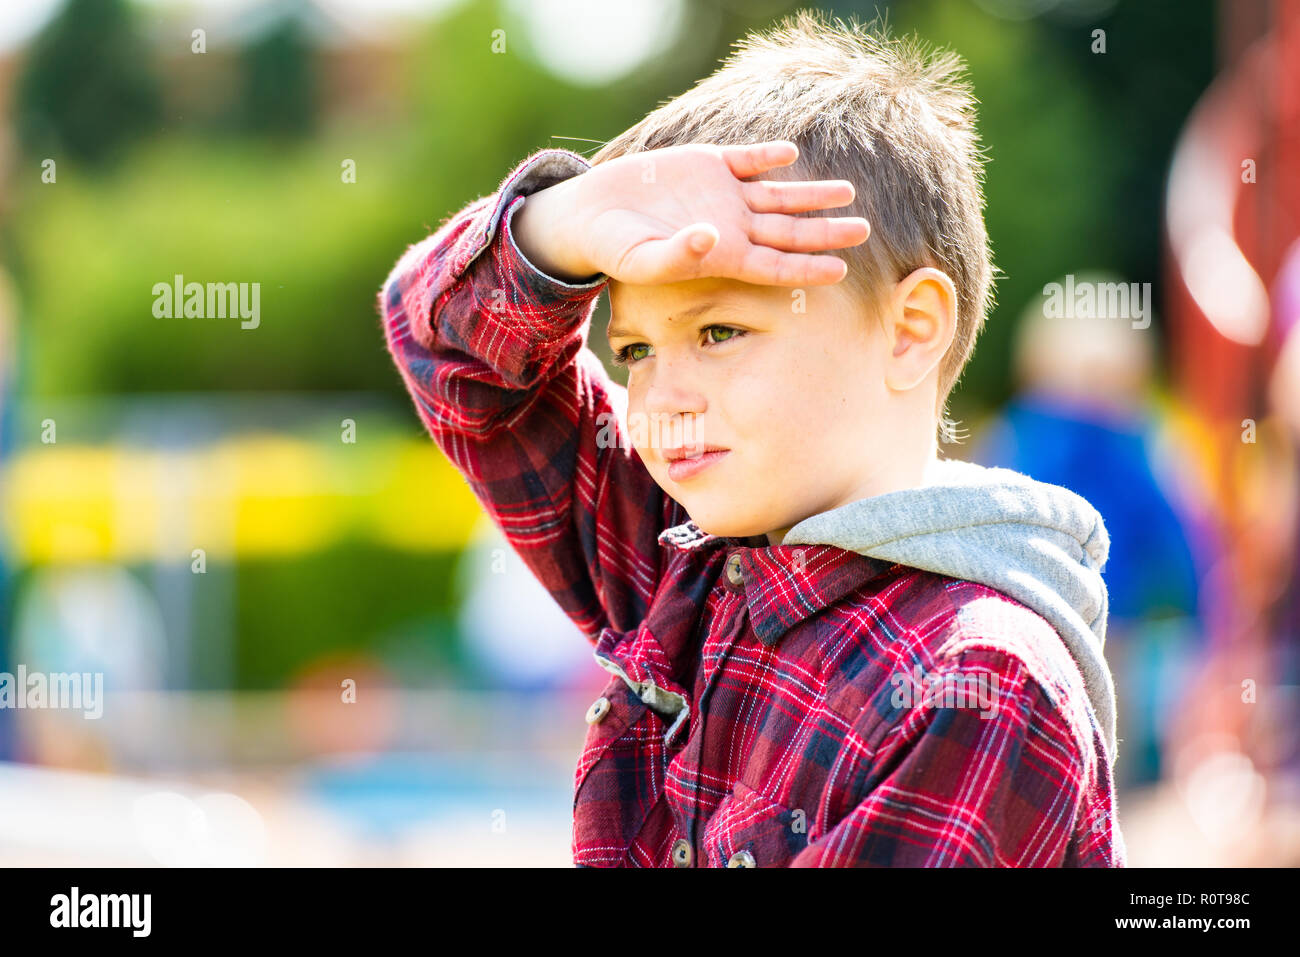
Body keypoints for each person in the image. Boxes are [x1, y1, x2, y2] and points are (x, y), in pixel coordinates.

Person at [377, 11, 1124, 867]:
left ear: (909, 330)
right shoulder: (679, 565)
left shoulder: (977, 681)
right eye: (635, 350)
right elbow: (443, 347)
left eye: (720, 331)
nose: (663, 393)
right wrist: (565, 222)